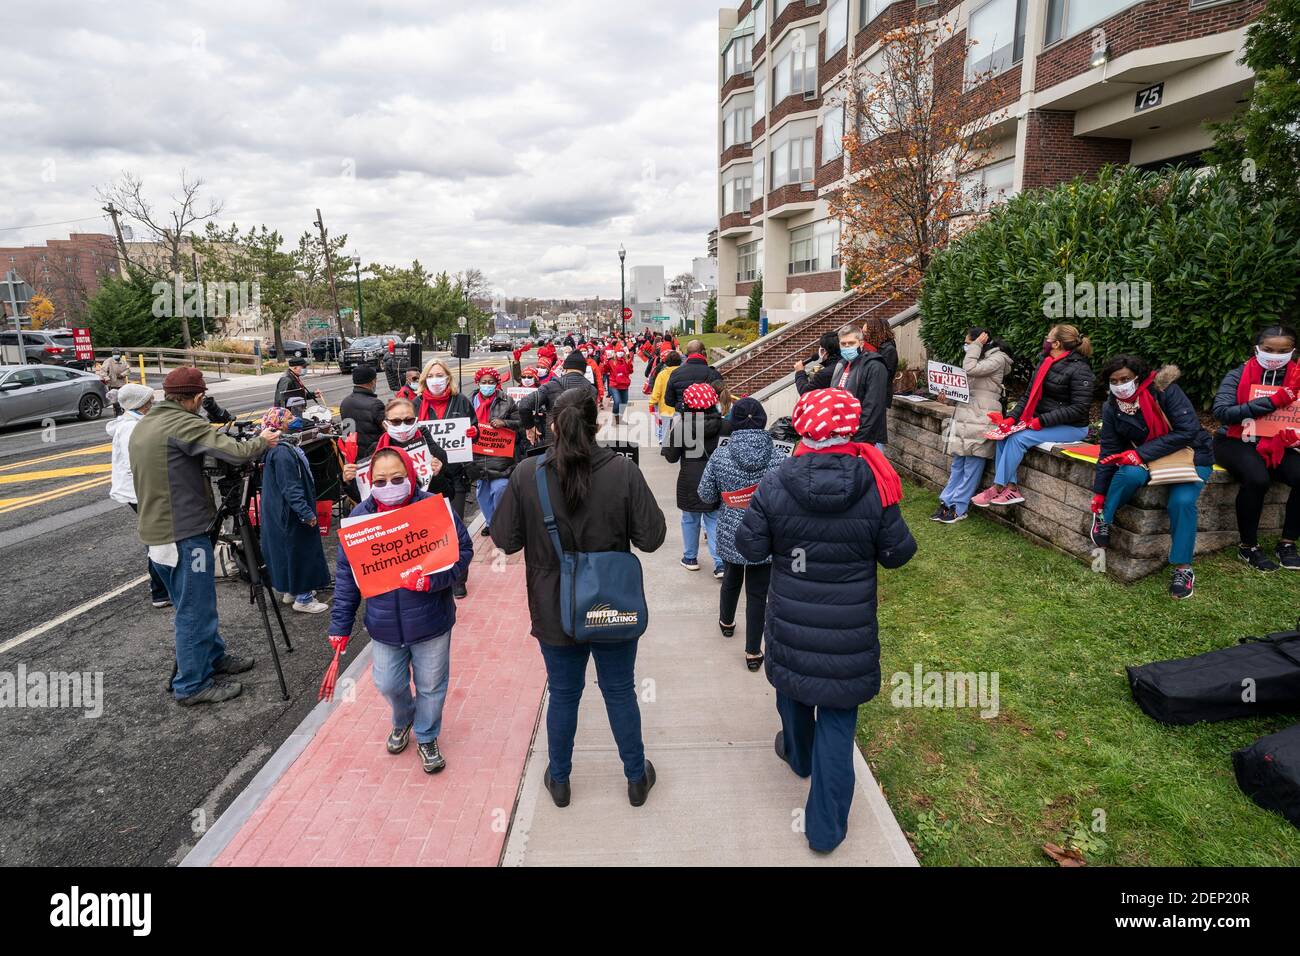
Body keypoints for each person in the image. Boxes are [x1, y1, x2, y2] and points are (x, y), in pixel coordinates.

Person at [734, 387, 916, 854]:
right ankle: (826, 828)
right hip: (848, 630)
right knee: (838, 723)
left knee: (793, 691)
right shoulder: (875, 483)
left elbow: (750, 549)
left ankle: (797, 755)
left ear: (803, 428)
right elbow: (898, 554)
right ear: (850, 428)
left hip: (792, 619)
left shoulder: (777, 482)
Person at [490, 389, 666, 808]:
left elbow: (505, 539)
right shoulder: (622, 471)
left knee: (564, 694)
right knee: (620, 690)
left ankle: (562, 780)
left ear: (551, 425)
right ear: (598, 423)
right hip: (613, 603)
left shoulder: (528, 474)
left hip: (554, 607)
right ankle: (636, 775)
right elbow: (652, 537)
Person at [129, 367, 280, 706]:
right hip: (183, 532)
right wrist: (264, 441)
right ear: (196, 398)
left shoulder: (147, 422)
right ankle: (192, 685)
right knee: (194, 609)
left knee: (195, 603)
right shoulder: (182, 423)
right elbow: (237, 453)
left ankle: (212, 657)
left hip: (160, 532)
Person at [328, 447, 474, 773]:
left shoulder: (434, 509)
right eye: (380, 480)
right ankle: (404, 715)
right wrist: (340, 625)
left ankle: (426, 735)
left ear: (410, 475)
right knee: (388, 683)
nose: (389, 485)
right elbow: (346, 577)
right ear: (370, 483)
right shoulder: (358, 520)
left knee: (432, 686)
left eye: (397, 478)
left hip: (431, 620)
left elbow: (463, 552)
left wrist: (431, 581)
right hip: (384, 626)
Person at [1089, 357, 1215, 599]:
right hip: (1147, 459)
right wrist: (1099, 493)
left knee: (1181, 503)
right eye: (1113, 381)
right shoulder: (1113, 406)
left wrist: (1139, 453)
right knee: (1129, 474)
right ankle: (1104, 517)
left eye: (1125, 379)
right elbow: (1109, 450)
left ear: (1138, 376)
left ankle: (1183, 568)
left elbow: (1187, 430)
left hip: (1191, 456)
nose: (1120, 385)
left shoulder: (1165, 391)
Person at [697, 398, 786, 670]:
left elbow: (705, 494)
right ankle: (752, 651)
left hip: (731, 529)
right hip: (764, 532)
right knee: (759, 593)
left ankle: (726, 621)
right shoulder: (779, 455)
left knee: (732, 579)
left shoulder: (721, 454)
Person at [972, 324, 1095, 508]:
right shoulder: (1045, 362)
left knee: (1019, 438)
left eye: (1048, 337)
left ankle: (997, 488)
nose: (1045, 340)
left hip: (1073, 428)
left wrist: (1042, 421)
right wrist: (1011, 419)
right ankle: (1011, 488)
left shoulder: (1080, 369)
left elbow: (1079, 408)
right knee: (1003, 436)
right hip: (1043, 421)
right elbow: (1028, 396)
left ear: (1056, 344)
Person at [1211, 324, 1300, 571]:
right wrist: (1273, 401)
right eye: (1268, 349)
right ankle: (1248, 546)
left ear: (1293, 351)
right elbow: (1222, 412)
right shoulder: (1238, 374)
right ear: (1257, 349)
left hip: (1278, 443)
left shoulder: (1298, 378)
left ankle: (1287, 542)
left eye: (1283, 351)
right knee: (1257, 478)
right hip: (1234, 440)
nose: (1274, 355)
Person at [258, 406, 333, 614]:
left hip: (279, 513)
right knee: (301, 552)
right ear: (280, 423)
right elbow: (291, 488)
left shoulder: (277, 448)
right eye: (290, 417)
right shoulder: (282, 452)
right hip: (290, 514)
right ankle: (304, 598)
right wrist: (306, 513)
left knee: (287, 553)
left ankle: (291, 589)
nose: (295, 419)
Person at [934, 328, 1014, 523]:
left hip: (982, 416)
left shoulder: (998, 359)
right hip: (965, 414)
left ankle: (959, 507)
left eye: (968, 342)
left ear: (981, 342)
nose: (966, 346)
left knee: (973, 463)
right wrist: (948, 396)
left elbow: (970, 369)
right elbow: (966, 386)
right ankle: (947, 501)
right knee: (958, 464)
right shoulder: (975, 357)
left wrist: (975, 345)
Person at [107, 382, 170, 608]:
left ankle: (162, 587)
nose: (153, 404)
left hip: (139, 489)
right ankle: (160, 591)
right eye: (150, 401)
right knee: (156, 539)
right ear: (140, 405)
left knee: (156, 538)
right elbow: (138, 462)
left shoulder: (134, 423)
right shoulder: (130, 429)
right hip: (138, 490)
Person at [662, 382, 724, 576]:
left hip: (690, 478)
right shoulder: (725, 425)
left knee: (690, 518)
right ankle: (720, 563)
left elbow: (671, 457)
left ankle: (690, 557)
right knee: (714, 519)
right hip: (716, 478)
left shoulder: (683, 427)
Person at [467, 367, 520, 537]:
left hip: (500, 456)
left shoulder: (508, 401)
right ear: (478, 383)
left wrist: (505, 423)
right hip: (477, 456)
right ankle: (491, 523)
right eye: (484, 382)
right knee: (482, 494)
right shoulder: (468, 401)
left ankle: (501, 521)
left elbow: (520, 422)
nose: (487, 385)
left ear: (497, 384)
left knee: (500, 489)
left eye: (491, 382)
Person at [827, 327, 890, 446]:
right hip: (841, 435)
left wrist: (858, 437)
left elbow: (873, 406)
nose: (846, 347)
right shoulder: (842, 364)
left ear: (861, 344)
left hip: (863, 437)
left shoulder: (874, 366)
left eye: (851, 343)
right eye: (843, 344)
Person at [523, 351, 596, 444]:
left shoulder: (550, 386)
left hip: (554, 442)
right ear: (584, 371)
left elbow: (524, 405)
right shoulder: (592, 390)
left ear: (565, 369)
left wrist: (530, 427)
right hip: (584, 442)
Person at [340, 364, 386, 461]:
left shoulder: (345, 402)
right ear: (373, 381)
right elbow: (388, 429)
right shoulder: (375, 404)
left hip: (352, 455)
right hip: (372, 456)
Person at [664, 340, 725, 412]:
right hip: (708, 417)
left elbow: (669, 400)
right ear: (703, 353)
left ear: (687, 354)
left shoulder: (676, 373)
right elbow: (722, 397)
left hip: (686, 416)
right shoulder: (714, 374)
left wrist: (682, 405)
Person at [649, 351, 682, 444]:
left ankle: (664, 448)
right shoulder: (683, 372)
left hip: (665, 407)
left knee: (665, 430)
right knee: (679, 431)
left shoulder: (662, 374)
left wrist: (652, 403)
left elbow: (657, 392)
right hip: (679, 407)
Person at [601, 346, 634, 422]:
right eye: (618, 351)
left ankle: (620, 418)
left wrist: (629, 362)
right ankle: (615, 417)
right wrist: (605, 361)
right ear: (615, 352)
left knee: (624, 403)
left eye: (622, 351)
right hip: (614, 384)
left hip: (624, 385)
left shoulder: (626, 360)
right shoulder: (611, 361)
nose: (620, 353)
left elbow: (631, 371)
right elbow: (605, 370)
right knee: (617, 401)